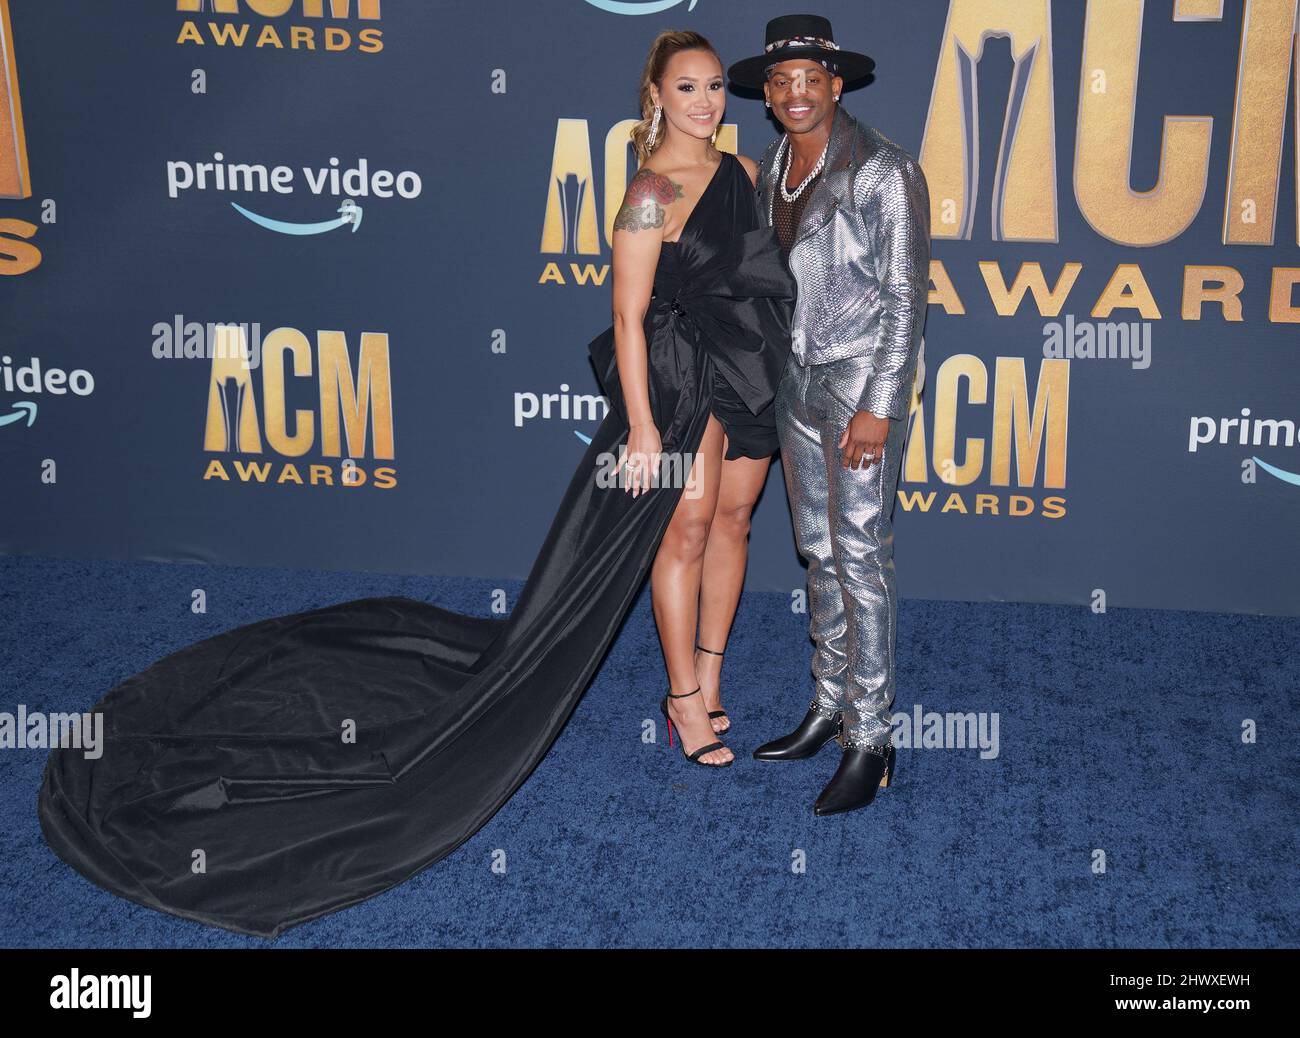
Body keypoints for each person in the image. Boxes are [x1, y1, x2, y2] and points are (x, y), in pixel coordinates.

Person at [36, 31, 794, 936]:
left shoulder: (742, 166)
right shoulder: (647, 194)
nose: (707, 102)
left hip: (749, 367)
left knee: (737, 522)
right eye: (688, 87)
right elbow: (627, 320)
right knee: (687, 524)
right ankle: (682, 703)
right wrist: (638, 424)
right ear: (656, 96)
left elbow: (758, 277)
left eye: (715, 86)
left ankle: (713, 672)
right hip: (676, 378)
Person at [730, 15, 931, 815]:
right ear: (769, 97)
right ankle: (829, 702)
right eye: (781, 83)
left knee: (860, 554)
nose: (796, 93)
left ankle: (873, 737)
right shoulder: (775, 163)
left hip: (859, 387)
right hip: (796, 383)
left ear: (836, 84)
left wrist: (880, 406)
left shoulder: (883, 170)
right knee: (817, 549)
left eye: (811, 78)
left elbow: (908, 297)